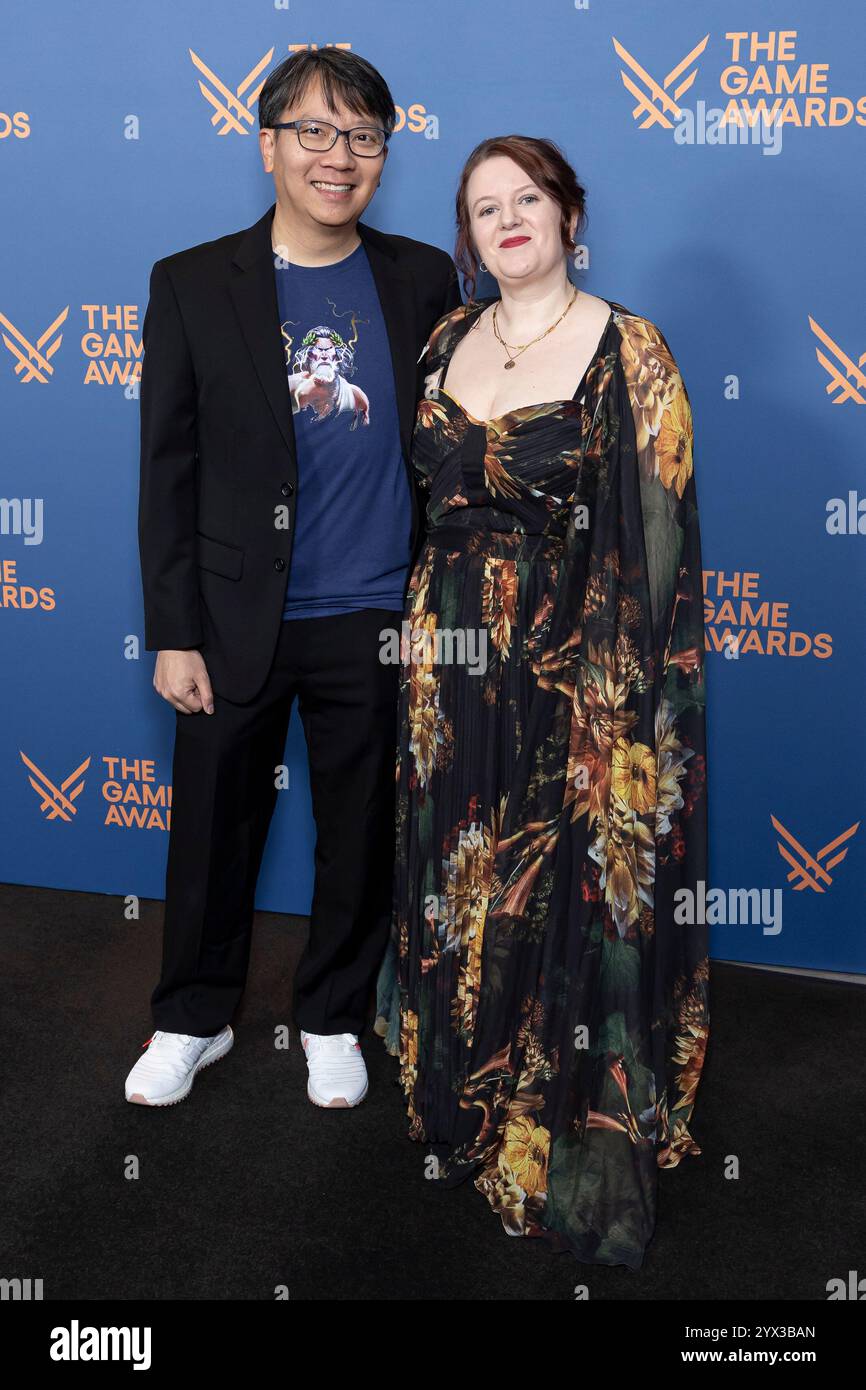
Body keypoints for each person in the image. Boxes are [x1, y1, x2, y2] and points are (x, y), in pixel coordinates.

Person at [375, 135, 709, 1269]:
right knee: (455, 867)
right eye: (482, 208)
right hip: (442, 669)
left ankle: (545, 1112)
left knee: (550, 879)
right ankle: (460, 1083)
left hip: (572, 675)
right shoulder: (440, 341)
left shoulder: (631, 351)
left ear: (570, 215)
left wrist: (605, 704)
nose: (506, 219)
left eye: (527, 199)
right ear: (466, 237)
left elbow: (658, 554)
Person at [126, 49, 460, 1109]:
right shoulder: (189, 281)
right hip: (231, 617)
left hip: (377, 613)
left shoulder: (420, 278)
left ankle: (330, 1016)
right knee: (213, 828)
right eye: (313, 131)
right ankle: (191, 1015)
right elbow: (166, 467)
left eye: (362, 136)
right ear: (267, 143)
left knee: (360, 830)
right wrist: (173, 629)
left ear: (382, 156)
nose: (338, 156)